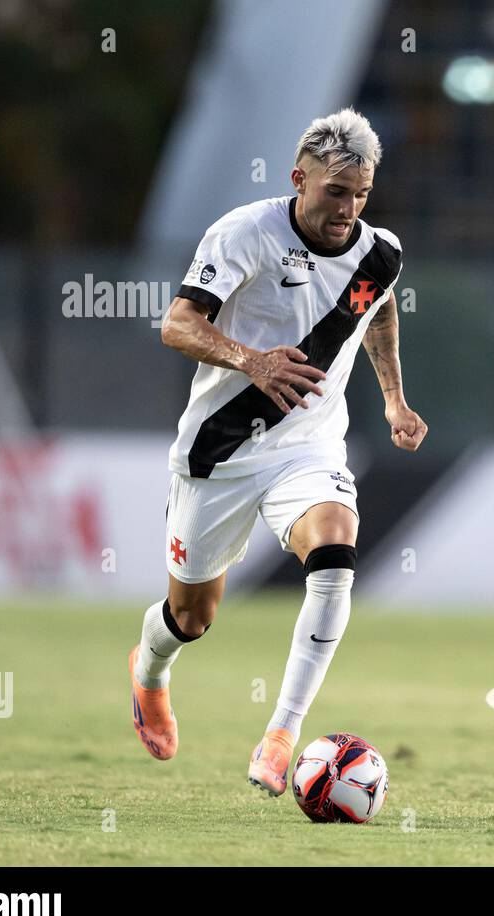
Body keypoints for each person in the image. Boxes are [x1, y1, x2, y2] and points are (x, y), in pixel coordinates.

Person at [128, 107, 427, 797]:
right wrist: (251, 361)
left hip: (310, 448)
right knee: (191, 619)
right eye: (335, 192)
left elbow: (378, 305)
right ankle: (149, 672)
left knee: (336, 550)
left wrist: (392, 400)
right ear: (300, 179)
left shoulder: (380, 252)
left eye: (360, 194)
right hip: (220, 453)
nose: (348, 208)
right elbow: (178, 323)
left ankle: (281, 736)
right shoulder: (244, 233)